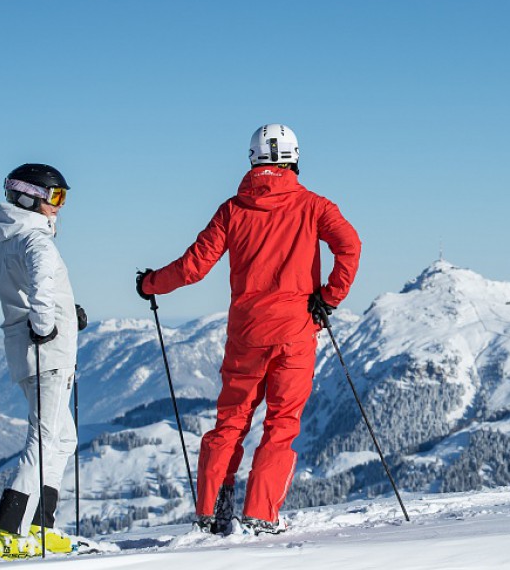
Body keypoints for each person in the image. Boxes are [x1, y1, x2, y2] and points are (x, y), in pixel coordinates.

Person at [136, 124, 361, 535]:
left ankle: (210, 512)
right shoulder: (315, 206)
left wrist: (150, 283)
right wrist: (329, 298)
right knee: (281, 424)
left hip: (246, 336)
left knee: (231, 422)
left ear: (253, 160)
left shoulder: (232, 210)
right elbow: (350, 245)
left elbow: (193, 267)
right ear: (294, 158)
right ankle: (261, 514)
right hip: (295, 334)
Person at [0, 163, 87, 557]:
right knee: (44, 440)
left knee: (64, 438)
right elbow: (41, 291)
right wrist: (49, 325)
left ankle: (39, 526)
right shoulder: (36, 241)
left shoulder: (6, 242)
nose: (59, 207)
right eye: (55, 198)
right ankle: (9, 533)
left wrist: (67, 312)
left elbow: (27, 293)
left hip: (26, 352)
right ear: (30, 197)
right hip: (47, 350)